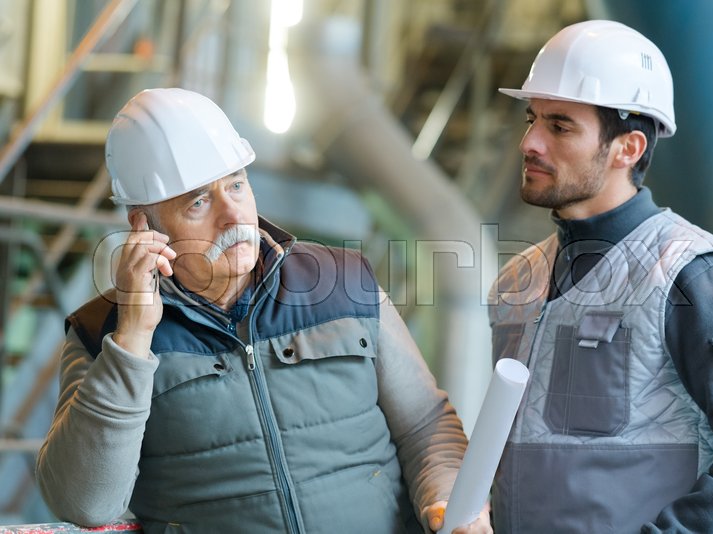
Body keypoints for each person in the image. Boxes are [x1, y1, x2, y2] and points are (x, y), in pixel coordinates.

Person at [35, 87, 491, 534]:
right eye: (199, 202)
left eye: (236, 184)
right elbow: (86, 503)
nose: (233, 215)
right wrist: (133, 340)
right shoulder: (100, 335)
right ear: (145, 226)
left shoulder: (345, 281)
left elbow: (425, 426)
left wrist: (446, 502)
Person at [489, 19, 713, 533]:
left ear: (628, 148)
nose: (530, 143)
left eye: (560, 126)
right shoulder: (517, 280)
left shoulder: (690, 274)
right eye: (532, 119)